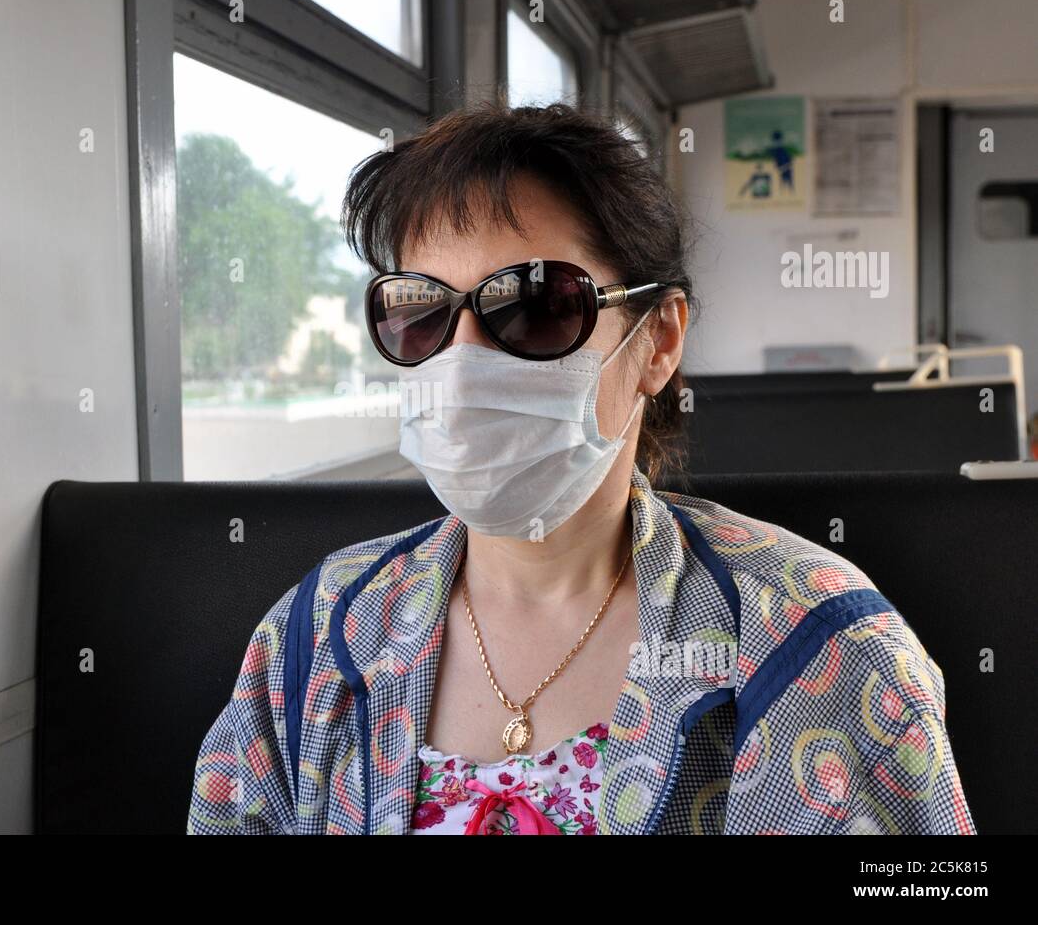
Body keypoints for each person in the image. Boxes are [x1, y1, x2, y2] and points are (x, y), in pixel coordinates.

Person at [186, 102, 974, 835]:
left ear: (658, 340)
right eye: (420, 310)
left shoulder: (820, 651)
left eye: (534, 303)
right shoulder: (314, 638)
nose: (461, 364)